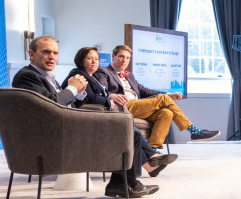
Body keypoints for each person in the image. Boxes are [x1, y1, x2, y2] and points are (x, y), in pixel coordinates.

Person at [12, 36, 158, 199]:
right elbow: (49, 106)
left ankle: (124, 184)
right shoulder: (27, 76)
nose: (52, 57)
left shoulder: (47, 76)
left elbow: (63, 103)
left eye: (55, 53)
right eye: (46, 52)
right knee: (129, 131)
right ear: (31, 54)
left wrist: (78, 93)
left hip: (68, 126)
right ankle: (125, 185)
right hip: (56, 135)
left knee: (130, 130)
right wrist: (73, 89)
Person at [64, 46, 175, 178]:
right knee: (129, 128)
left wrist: (107, 99)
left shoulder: (91, 77)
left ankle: (150, 165)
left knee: (144, 123)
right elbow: (89, 97)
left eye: (96, 59)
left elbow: (142, 90)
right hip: (89, 117)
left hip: (103, 114)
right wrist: (108, 100)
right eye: (89, 58)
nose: (94, 62)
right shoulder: (78, 74)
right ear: (81, 60)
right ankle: (152, 157)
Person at [96, 44, 219, 148]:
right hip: (123, 106)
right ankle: (194, 131)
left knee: (167, 113)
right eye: (121, 56)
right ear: (113, 57)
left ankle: (153, 151)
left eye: (127, 58)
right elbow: (102, 90)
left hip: (138, 106)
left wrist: (169, 94)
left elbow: (144, 90)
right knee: (164, 99)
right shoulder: (104, 71)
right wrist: (112, 96)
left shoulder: (129, 75)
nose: (124, 60)